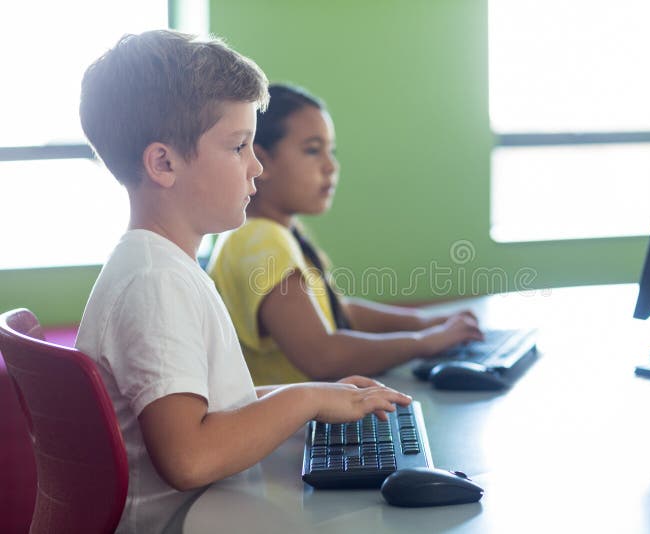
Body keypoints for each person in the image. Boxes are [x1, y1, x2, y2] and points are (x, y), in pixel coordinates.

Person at [75, 30, 410, 534]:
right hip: (184, 523)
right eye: (238, 146)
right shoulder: (155, 283)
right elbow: (189, 458)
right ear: (163, 162)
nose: (257, 166)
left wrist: (319, 395)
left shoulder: (162, 266)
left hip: (209, 512)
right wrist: (306, 400)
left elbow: (210, 406)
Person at [207, 84, 483, 385]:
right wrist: (424, 342)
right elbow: (322, 356)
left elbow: (339, 311)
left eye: (331, 151)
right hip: (298, 417)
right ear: (262, 162)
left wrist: (428, 323)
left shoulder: (276, 232)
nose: (331, 166)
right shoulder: (260, 240)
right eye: (313, 150)